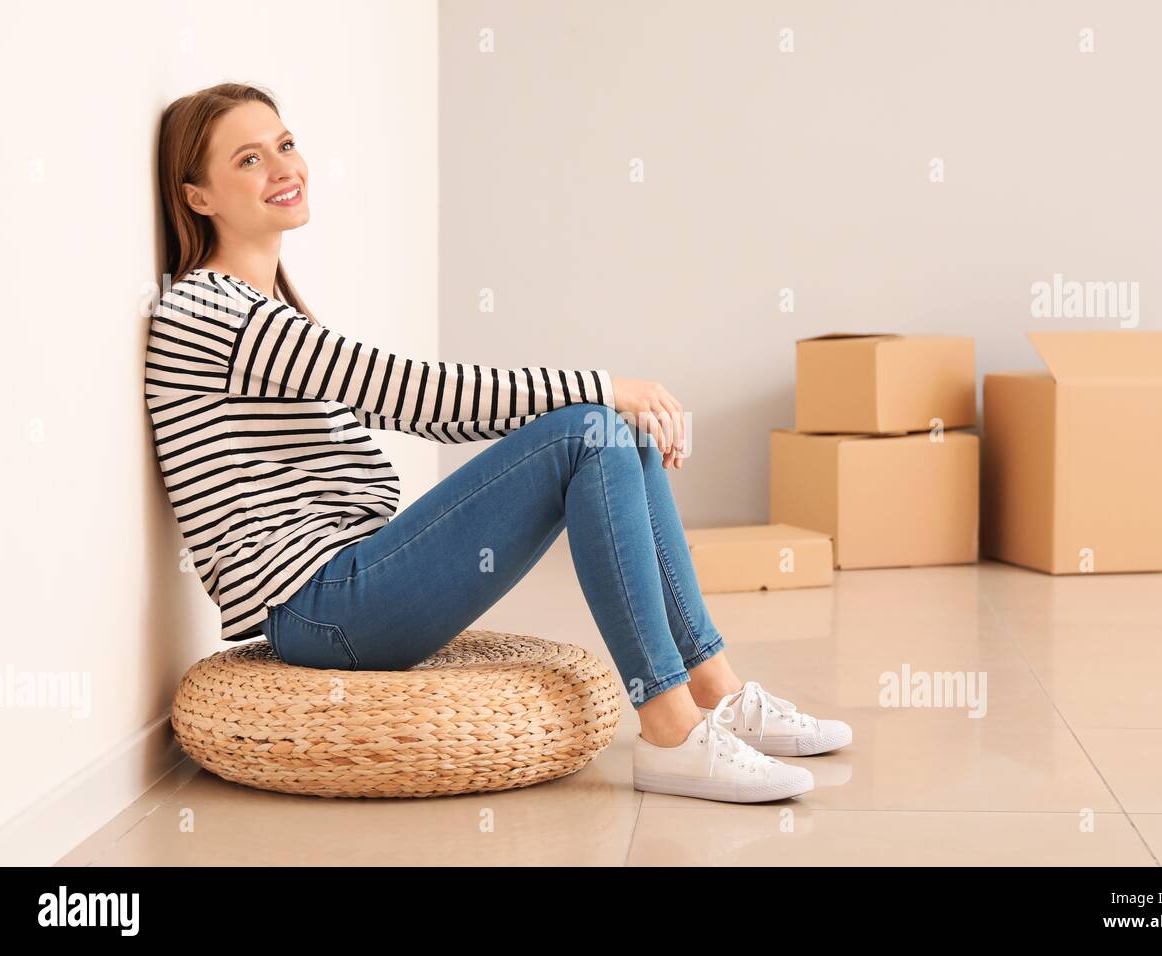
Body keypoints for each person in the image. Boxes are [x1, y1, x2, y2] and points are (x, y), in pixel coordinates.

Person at [147, 82, 851, 804]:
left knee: (612, 435)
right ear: (199, 197)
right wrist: (600, 384)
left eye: (286, 145)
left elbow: (435, 418)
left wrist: (606, 404)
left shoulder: (264, 312)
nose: (282, 167)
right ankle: (670, 731)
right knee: (590, 428)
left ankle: (716, 689)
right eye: (249, 159)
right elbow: (413, 390)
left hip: (348, 590)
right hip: (322, 609)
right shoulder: (210, 311)